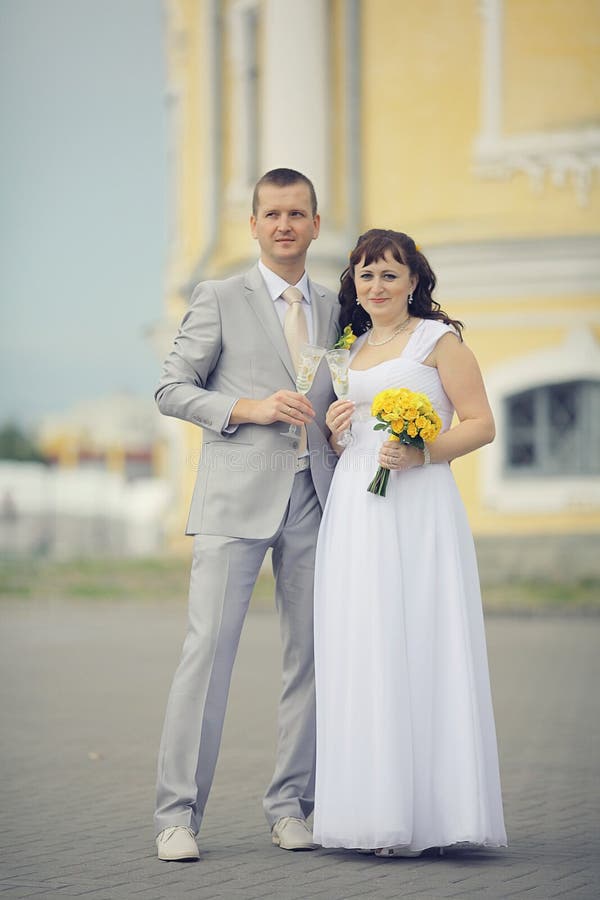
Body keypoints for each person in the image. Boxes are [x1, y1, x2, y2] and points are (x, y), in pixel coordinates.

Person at [154, 168, 339, 861]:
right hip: (235, 500)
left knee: (313, 659)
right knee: (206, 659)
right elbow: (172, 388)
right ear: (255, 225)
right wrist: (247, 408)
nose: (285, 224)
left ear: (316, 224)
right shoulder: (219, 296)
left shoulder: (336, 307)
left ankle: (292, 806)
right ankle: (177, 817)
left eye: (298, 213)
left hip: (316, 500)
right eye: (272, 213)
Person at [313, 229, 507, 856]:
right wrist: (340, 433)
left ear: (415, 281)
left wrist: (424, 451)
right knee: (364, 641)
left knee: (420, 635)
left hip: (418, 505)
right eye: (366, 276)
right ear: (355, 284)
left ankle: (434, 815)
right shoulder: (351, 348)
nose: (377, 286)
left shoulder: (438, 342)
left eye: (389, 275)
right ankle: (372, 811)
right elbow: (349, 438)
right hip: (357, 506)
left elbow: (480, 424)